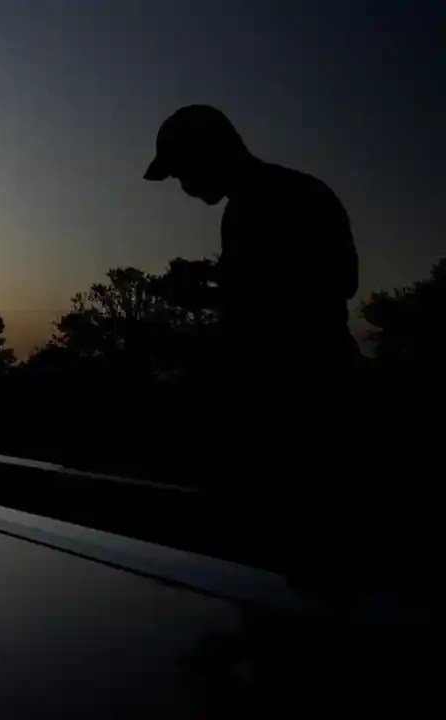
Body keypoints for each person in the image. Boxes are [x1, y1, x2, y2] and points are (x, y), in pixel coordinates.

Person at [144, 104, 360, 581]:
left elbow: (336, 283)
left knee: (310, 567)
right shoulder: (242, 212)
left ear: (210, 155)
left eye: (183, 172)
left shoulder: (294, 197)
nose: (182, 186)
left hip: (312, 405)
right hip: (271, 407)